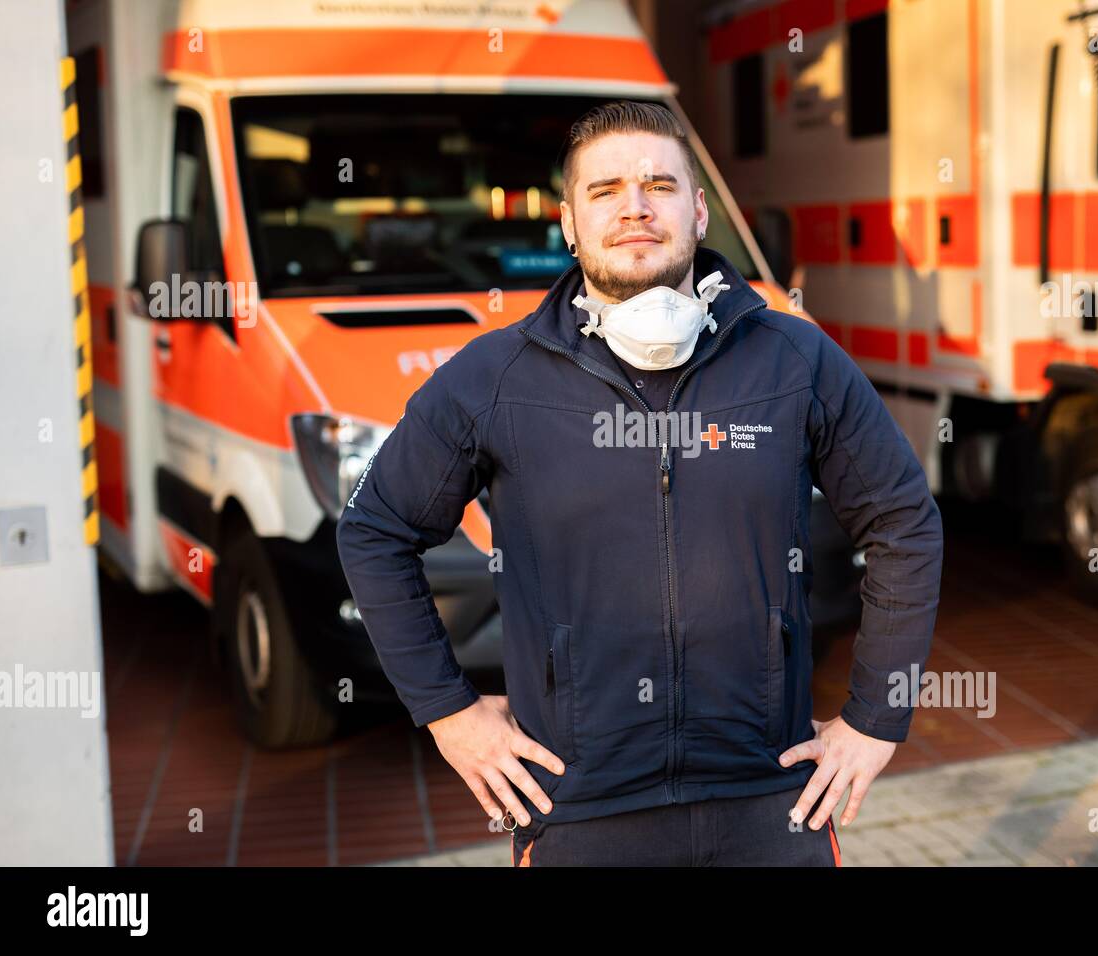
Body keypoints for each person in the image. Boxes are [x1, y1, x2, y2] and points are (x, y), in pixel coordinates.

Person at [336, 100, 944, 867]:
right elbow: (374, 530)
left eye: (660, 185)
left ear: (698, 212)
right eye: (605, 190)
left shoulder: (797, 359)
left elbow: (904, 524)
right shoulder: (494, 379)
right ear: (569, 222)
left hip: (771, 799)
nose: (635, 208)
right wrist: (448, 713)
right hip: (578, 810)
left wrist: (876, 720)